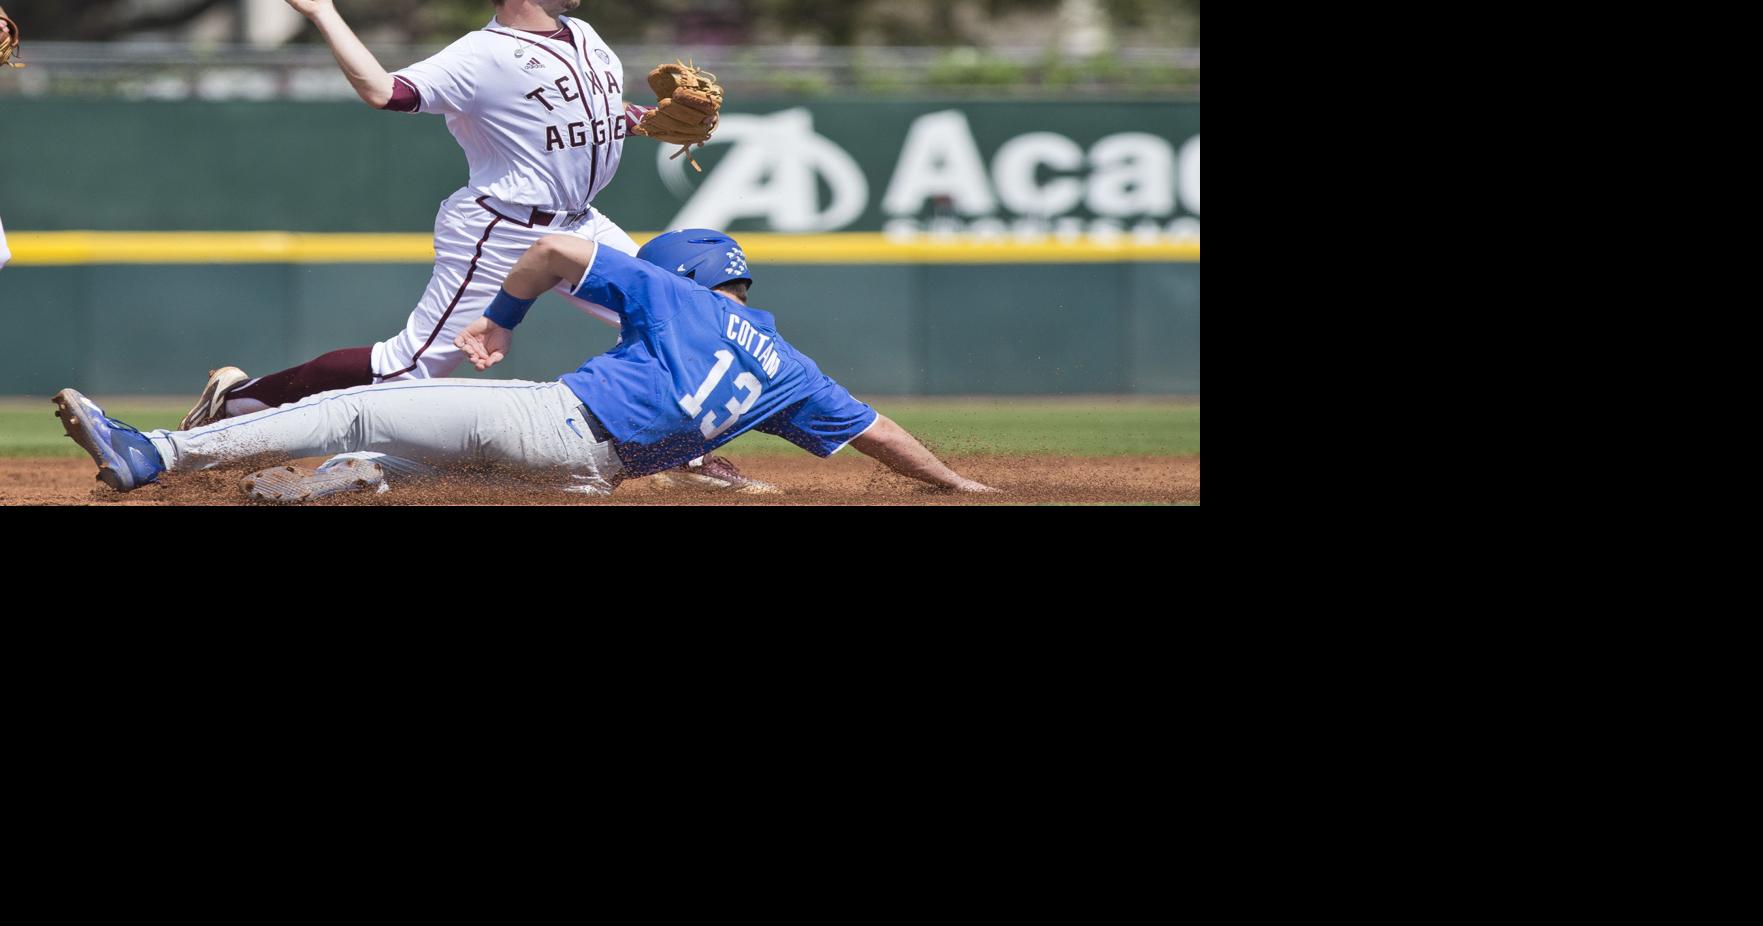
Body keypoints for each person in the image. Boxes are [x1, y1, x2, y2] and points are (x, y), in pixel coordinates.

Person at [178, 0, 768, 491]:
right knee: (405, 368)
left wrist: (642, 118)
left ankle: (683, 454)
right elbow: (385, 91)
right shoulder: (479, 55)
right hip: (501, 228)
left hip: (580, 221)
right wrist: (323, 12)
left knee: (684, 317)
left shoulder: (585, 35)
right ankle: (236, 402)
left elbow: (585, 116)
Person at [54, 229, 998, 499]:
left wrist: (501, 320)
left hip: (557, 421)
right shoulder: (791, 368)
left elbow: (550, 250)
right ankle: (330, 489)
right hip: (590, 481)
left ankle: (157, 455)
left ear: (682, 273)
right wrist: (957, 486)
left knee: (367, 402)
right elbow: (879, 433)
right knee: (428, 470)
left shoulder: (676, 293)